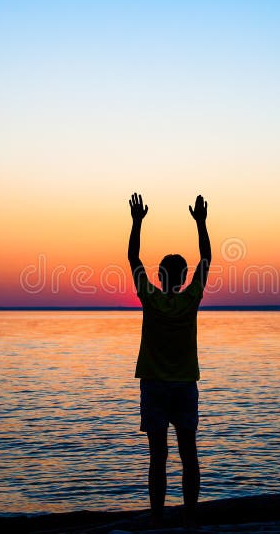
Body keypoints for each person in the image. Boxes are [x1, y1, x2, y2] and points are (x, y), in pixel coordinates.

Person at [127, 192, 211, 527]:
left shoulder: (151, 298)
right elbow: (207, 258)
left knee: (158, 457)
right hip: (184, 386)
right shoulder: (191, 298)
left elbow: (133, 258)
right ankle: (190, 517)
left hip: (155, 387)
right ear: (184, 277)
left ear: (160, 276)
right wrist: (201, 223)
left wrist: (137, 222)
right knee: (188, 455)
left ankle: (158, 519)